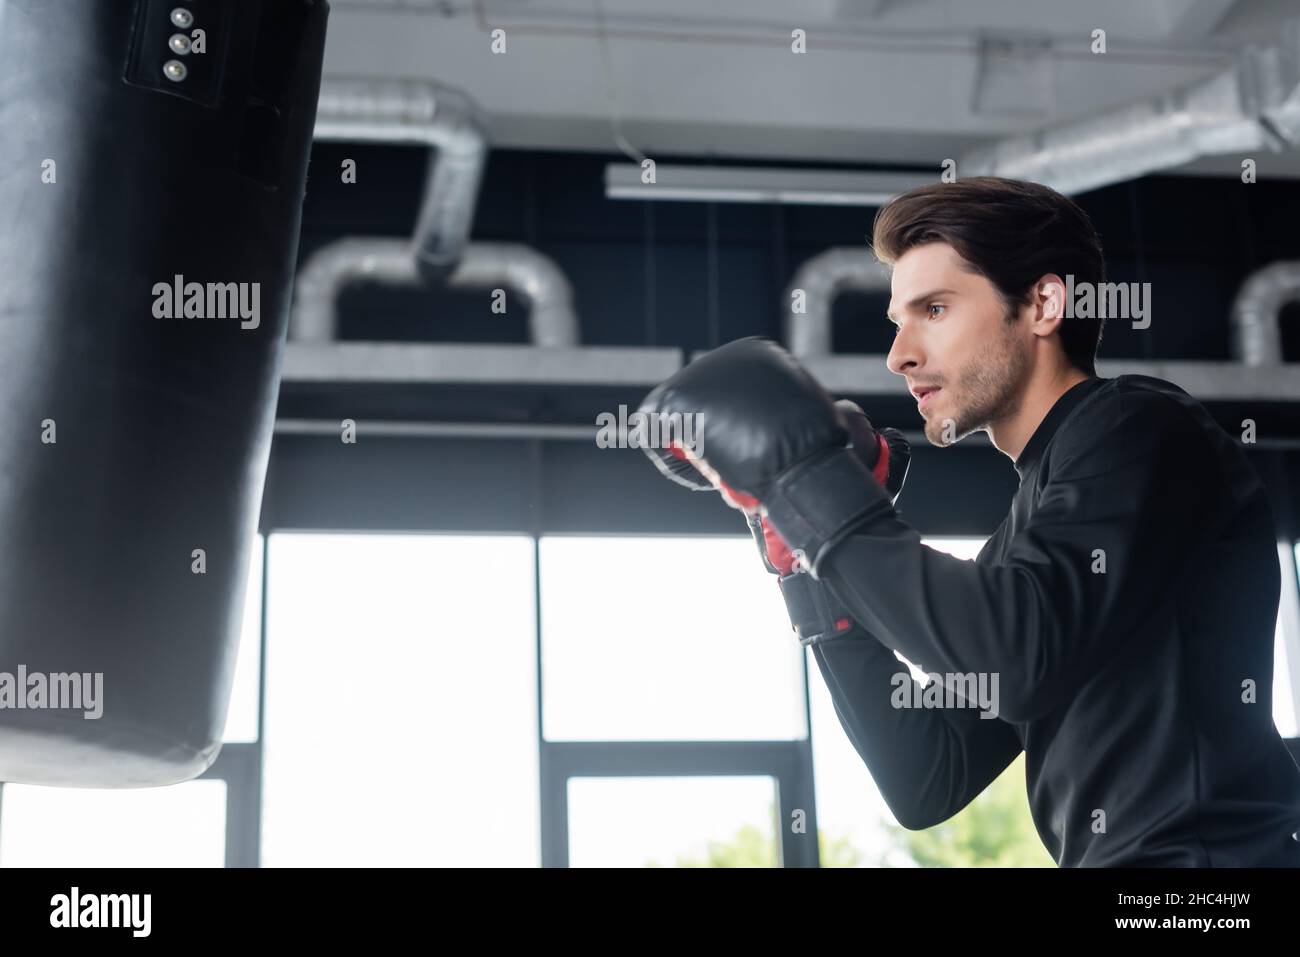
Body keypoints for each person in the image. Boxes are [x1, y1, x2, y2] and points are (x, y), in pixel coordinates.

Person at [638, 176, 1300, 867]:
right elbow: (927, 775)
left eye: (935, 308)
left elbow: (1011, 654)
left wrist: (816, 491)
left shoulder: (1139, 425)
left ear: (1043, 303)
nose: (900, 354)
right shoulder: (1034, 527)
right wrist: (809, 565)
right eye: (900, 320)